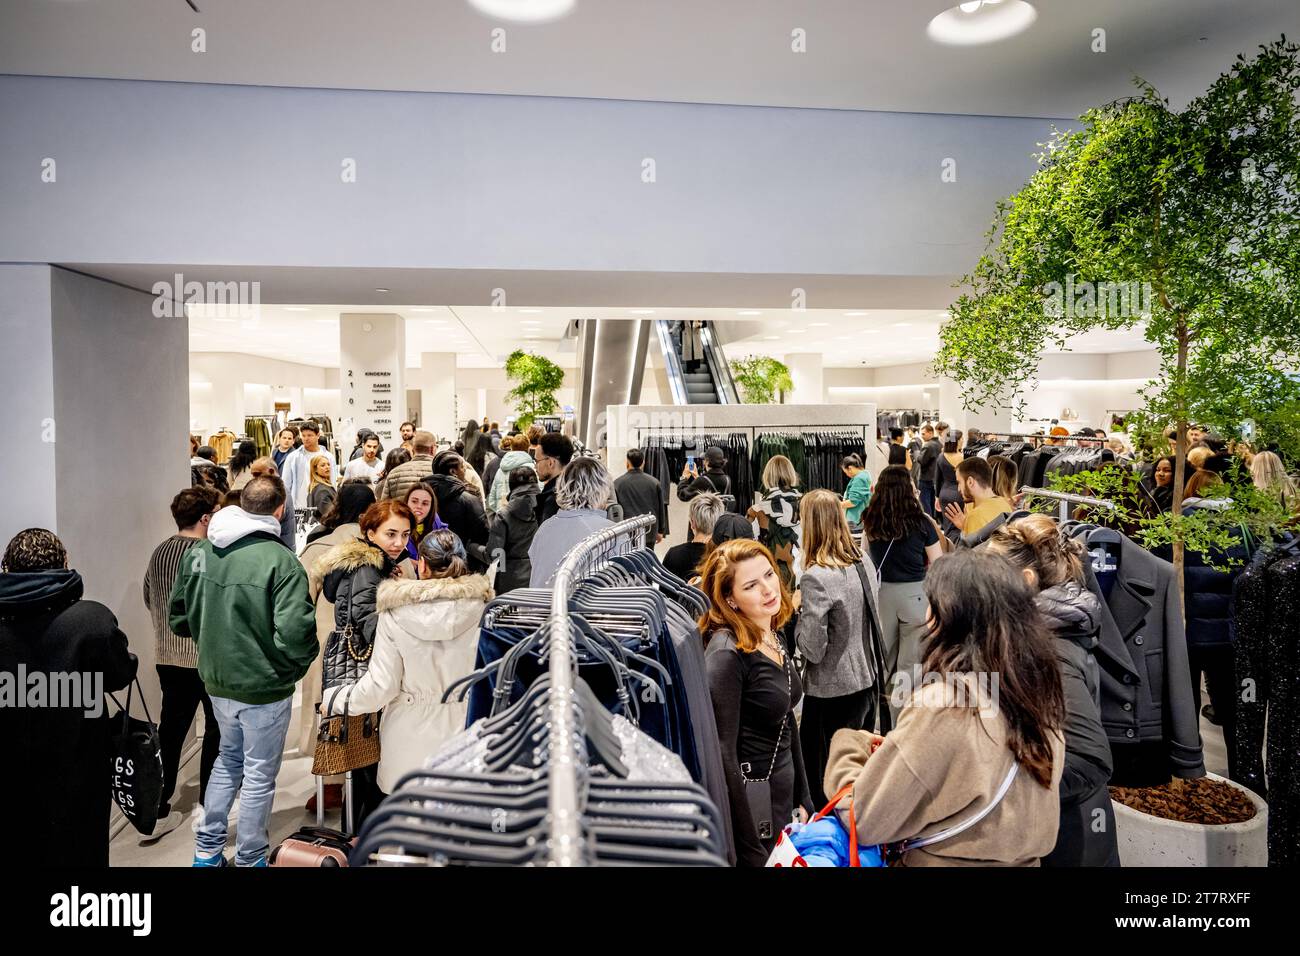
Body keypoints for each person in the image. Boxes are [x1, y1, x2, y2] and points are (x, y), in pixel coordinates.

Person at [823, 549, 1066, 866]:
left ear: (953, 618)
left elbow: (864, 819)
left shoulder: (946, 706)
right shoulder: (1038, 692)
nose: (925, 615)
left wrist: (848, 746)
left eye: (931, 604)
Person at [168, 475, 318, 866]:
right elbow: (297, 633)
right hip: (263, 685)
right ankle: (251, 856)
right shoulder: (281, 560)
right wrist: (291, 666)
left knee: (227, 759)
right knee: (257, 774)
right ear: (280, 510)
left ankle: (207, 851)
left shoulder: (199, 553)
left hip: (217, 679)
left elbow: (179, 620)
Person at [986, 515, 1118, 867]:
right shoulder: (1042, 632)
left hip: (1071, 835)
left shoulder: (1052, 650)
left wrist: (1009, 790)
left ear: (1025, 580)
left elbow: (1091, 758)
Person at [2, 528, 138, 867]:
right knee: (82, 850)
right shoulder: (91, 621)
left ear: (6, 568)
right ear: (64, 563)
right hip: (80, 767)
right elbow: (121, 675)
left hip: (10, 771)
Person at [322, 530, 493, 796]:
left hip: (407, 741)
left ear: (422, 564)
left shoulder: (396, 613)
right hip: (465, 737)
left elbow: (381, 687)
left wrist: (336, 699)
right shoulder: (486, 611)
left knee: (408, 829)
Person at [698, 538, 812, 866]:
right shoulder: (726, 655)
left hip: (782, 795)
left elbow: (786, 720)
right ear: (730, 599)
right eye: (751, 585)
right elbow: (723, 755)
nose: (767, 589)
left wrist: (803, 793)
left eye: (768, 575)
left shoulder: (769, 631)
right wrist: (748, 846)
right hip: (754, 808)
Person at [317, 499, 419, 821]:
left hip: (360, 663)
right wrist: (404, 642)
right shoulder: (367, 566)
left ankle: (361, 829)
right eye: (391, 534)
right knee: (369, 755)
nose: (398, 542)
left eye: (404, 535)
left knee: (363, 754)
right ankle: (365, 833)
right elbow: (366, 615)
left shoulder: (375, 563)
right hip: (365, 663)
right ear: (370, 532)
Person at [142, 485, 223, 842]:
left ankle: (158, 806)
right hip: (204, 656)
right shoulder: (208, 553)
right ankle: (209, 804)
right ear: (206, 517)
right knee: (217, 730)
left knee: (170, 732)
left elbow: (149, 595)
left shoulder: (160, 551)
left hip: (167, 655)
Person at [793, 490, 882, 808]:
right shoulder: (863, 562)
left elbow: (813, 650)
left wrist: (797, 614)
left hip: (830, 692)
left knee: (823, 784)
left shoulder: (816, 578)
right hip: (866, 682)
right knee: (853, 774)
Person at [296, 481, 377, 793]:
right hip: (369, 639)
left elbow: (302, 601)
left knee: (325, 705)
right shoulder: (381, 546)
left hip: (325, 639)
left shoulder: (316, 547)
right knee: (368, 707)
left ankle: (329, 782)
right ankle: (364, 777)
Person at [861, 465, 943, 722]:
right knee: (910, 669)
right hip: (916, 597)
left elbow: (865, 559)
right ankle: (902, 725)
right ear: (909, 488)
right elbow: (938, 563)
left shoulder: (870, 518)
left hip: (882, 595)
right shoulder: (922, 522)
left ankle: (883, 723)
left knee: (885, 663)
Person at [528, 457, 615, 587]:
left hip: (540, 606)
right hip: (583, 606)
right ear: (601, 489)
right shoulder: (610, 533)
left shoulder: (545, 528)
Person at [426, 451, 492, 571]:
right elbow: (483, 533)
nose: (465, 471)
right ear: (453, 472)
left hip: (430, 561)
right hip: (464, 563)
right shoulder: (469, 499)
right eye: (462, 467)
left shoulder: (424, 496)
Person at [748, 455, 801, 591]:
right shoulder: (808, 506)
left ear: (767, 476)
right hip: (804, 576)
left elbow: (749, 547)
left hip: (768, 579)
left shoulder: (756, 511)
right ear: (791, 474)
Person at [487, 465, 542, 593]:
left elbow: (494, 554)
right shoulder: (548, 507)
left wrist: (471, 546)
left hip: (509, 580)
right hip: (540, 577)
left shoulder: (503, 514)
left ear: (511, 486)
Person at [944, 457, 1013, 540]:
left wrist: (965, 529)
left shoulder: (976, 516)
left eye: (959, 482)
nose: (958, 489)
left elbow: (969, 551)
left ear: (970, 482)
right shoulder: (1004, 503)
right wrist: (965, 526)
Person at [663, 492, 725, 581]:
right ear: (719, 523)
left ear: (692, 523)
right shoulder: (723, 556)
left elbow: (663, 593)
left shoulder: (673, 555)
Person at [613, 448, 665, 541]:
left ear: (627, 463)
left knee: (627, 555)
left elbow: (615, 509)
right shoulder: (654, 482)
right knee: (647, 555)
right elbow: (660, 508)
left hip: (626, 531)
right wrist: (661, 530)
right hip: (649, 530)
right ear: (643, 463)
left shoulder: (617, 483)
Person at [248, 456, 297, 548]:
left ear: (271, 471)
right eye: (253, 475)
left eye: (257, 474)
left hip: (280, 548)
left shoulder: (277, 492)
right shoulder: (279, 490)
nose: (254, 479)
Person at [381, 430, 437, 501]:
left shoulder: (394, 473)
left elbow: (384, 506)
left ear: (413, 449)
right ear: (432, 449)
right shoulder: (441, 472)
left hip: (400, 512)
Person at [534, 432, 575, 524]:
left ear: (551, 463)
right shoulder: (576, 488)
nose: (535, 466)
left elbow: (546, 536)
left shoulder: (554, 500)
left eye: (537, 461)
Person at [488, 442, 538, 515]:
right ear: (527, 448)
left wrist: (499, 510)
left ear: (512, 448)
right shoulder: (533, 468)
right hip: (527, 517)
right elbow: (538, 493)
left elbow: (492, 500)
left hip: (503, 516)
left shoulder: (501, 470)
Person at [402, 482, 446, 563]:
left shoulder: (441, 531)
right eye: (414, 501)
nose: (419, 506)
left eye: (425, 503)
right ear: (406, 502)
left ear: (431, 507)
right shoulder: (395, 526)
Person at [935, 429, 964, 531]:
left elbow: (937, 480)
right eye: (961, 438)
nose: (963, 440)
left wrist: (937, 497)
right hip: (960, 494)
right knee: (960, 525)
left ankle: (948, 545)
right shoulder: (963, 457)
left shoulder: (941, 457)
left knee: (947, 526)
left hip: (945, 494)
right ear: (958, 441)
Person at [840, 453, 872, 533]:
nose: (846, 475)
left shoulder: (859, 478)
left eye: (845, 472)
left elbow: (853, 501)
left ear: (850, 468)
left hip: (855, 519)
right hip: (859, 518)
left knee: (853, 543)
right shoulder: (865, 474)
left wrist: (837, 505)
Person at [917, 424, 943, 516]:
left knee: (925, 503)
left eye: (923, 434)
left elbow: (921, 460)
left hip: (926, 478)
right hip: (935, 478)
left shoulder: (928, 446)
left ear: (930, 433)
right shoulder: (940, 445)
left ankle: (928, 522)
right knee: (932, 503)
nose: (921, 436)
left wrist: (917, 456)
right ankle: (934, 522)